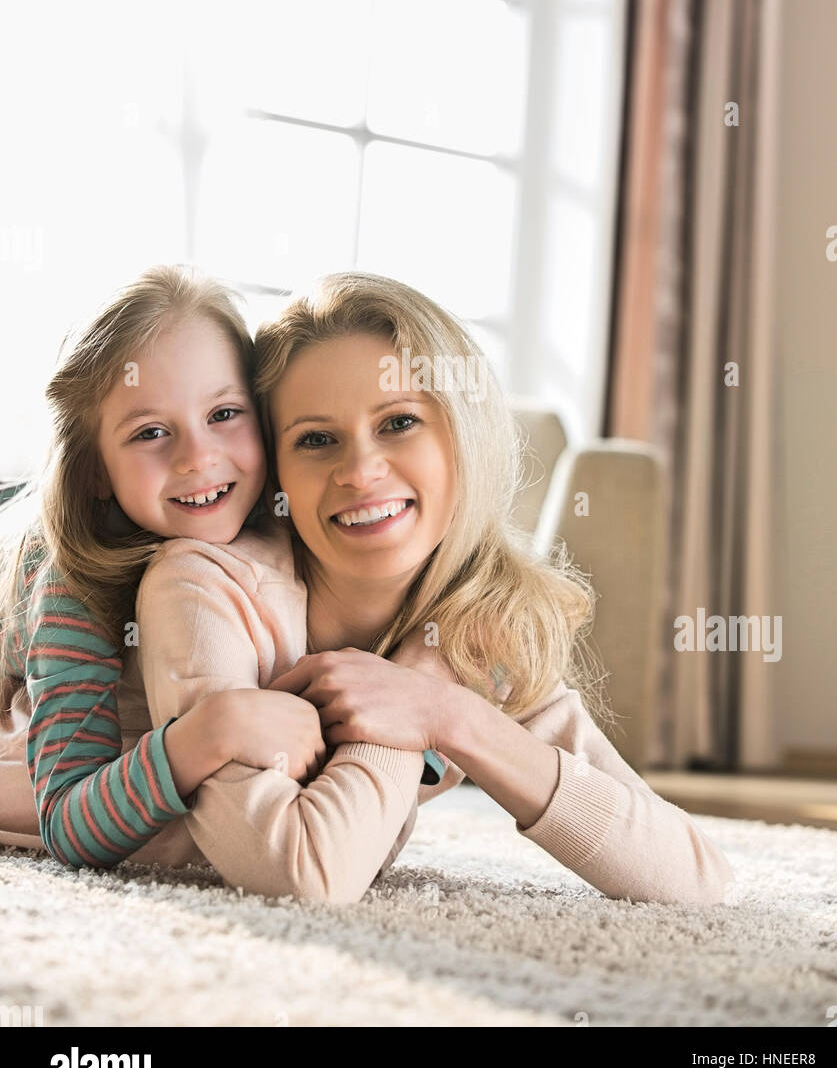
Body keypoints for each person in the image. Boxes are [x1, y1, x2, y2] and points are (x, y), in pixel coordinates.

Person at [134, 271, 737, 906]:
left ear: (461, 436)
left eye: (398, 423)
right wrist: (416, 690)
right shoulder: (204, 583)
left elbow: (697, 879)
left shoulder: (474, 629)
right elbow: (301, 875)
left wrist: (446, 710)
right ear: (276, 468)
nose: (361, 470)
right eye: (315, 439)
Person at [0, 264, 329, 866]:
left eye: (224, 414)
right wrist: (210, 731)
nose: (198, 457)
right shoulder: (71, 590)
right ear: (95, 470)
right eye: (151, 431)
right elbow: (69, 824)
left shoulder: (289, 517)